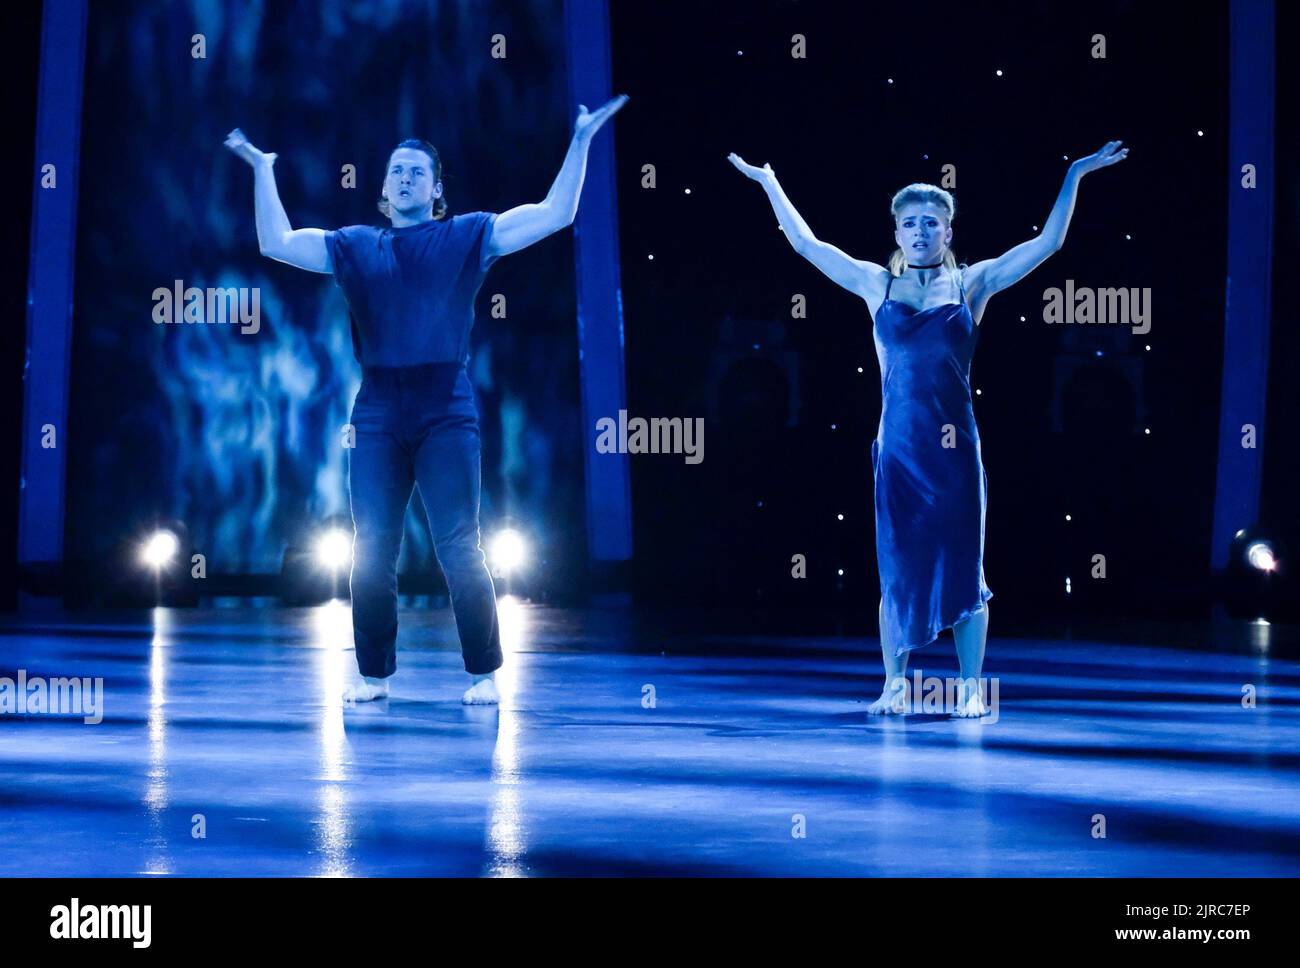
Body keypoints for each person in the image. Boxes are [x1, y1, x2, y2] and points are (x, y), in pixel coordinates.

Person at [224, 94, 628, 705]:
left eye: (418, 171)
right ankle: (372, 674)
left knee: (458, 543)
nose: (405, 177)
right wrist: (263, 170)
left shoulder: (468, 235)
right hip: (379, 408)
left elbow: (554, 214)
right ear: (385, 189)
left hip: (446, 406)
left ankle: (483, 672)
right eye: (396, 171)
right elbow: (276, 242)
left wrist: (580, 143)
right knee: (371, 546)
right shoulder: (355, 244)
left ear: (437, 190)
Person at [728, 141, 1128, 716]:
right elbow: (805, 245)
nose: (920, 231)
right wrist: (769, 182)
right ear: (896, 231)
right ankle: (895, 684)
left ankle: (969, 688)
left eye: (931, 223)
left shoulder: (973, 284)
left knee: (965, 566)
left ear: (948, 231)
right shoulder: (876, 285)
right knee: (898, 567)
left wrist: (1075, 173)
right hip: (898, 453)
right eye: (910, 222)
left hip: (955, 451)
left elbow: (1049, 243)